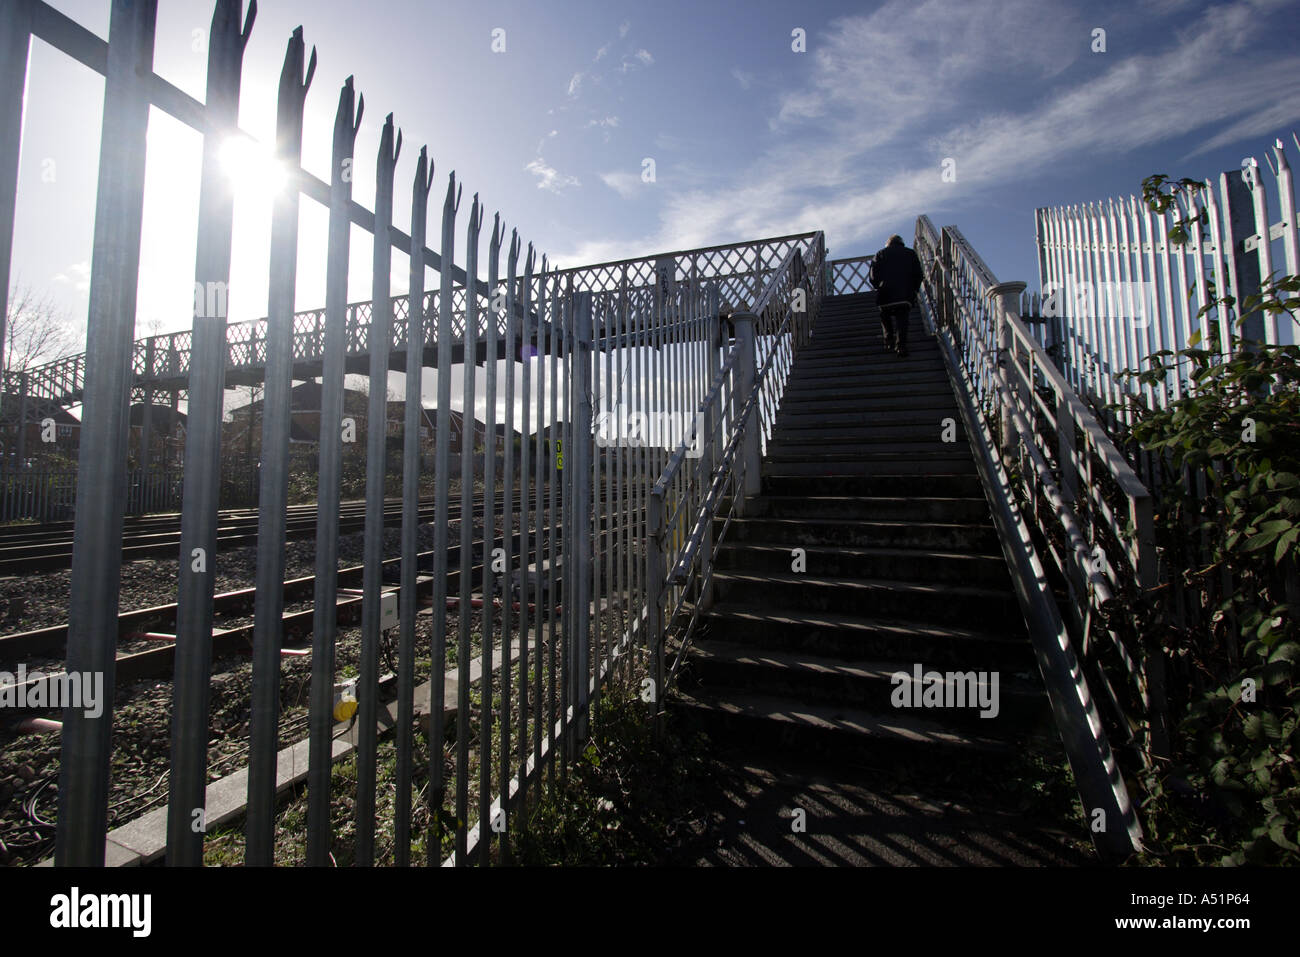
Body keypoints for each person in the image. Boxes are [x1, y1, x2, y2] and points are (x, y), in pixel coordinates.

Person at [868, 234, 924, 357]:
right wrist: (914, 289)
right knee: (902, 319)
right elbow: (918, 274)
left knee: (885, 315)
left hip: (886, 292)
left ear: (888, 243)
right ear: (901, 242)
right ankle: (901, 346)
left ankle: (888, 340)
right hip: (905, 293)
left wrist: (878, 285)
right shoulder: (910, 253)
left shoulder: (880, 254)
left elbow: (873, 275)